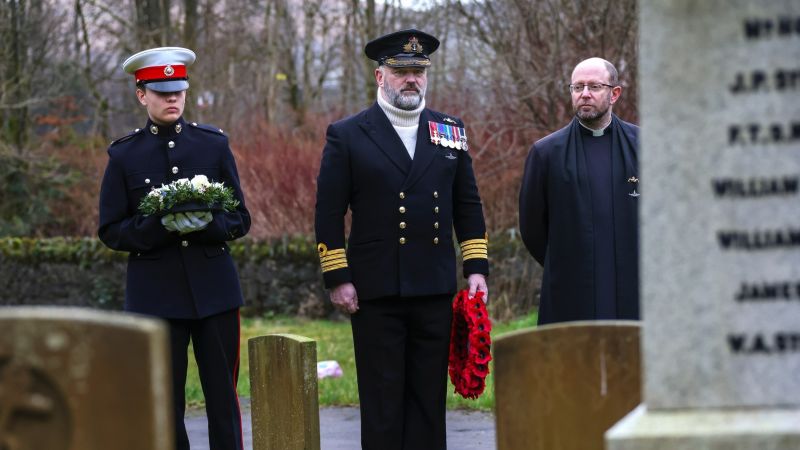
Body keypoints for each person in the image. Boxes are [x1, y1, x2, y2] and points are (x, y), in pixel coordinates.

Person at [314, 29, 489, 450]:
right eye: (401, 71)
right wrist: (338, 276)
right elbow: (328, 212)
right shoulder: (349, 133)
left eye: (418, 71)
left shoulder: (449, 130)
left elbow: (467, 205)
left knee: (429, 400)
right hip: (376, 291)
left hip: (433, 286)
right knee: (383, 401)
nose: (411, 79)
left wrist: (476, 268)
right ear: (380, 76)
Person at [98, 47, 250, 450]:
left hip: (214, 292)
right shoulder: (124, 154)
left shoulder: (213, 145)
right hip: (156, 296)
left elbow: (240, 219)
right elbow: (111, 230)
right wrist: (157, 227)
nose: (172, 98)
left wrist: (208, 225)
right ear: (141, 94)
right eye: (162, 91)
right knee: (164, 401)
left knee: (224, 398)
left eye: (178, 90)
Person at [519, 57, 640, 326]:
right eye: (577, 87)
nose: (584, 94)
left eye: (594, 87)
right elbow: (531, 228)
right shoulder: (546, 153)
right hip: (571, 285)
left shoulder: (644, 147)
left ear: (614, 94)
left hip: (634, 282)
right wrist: (566, 259)